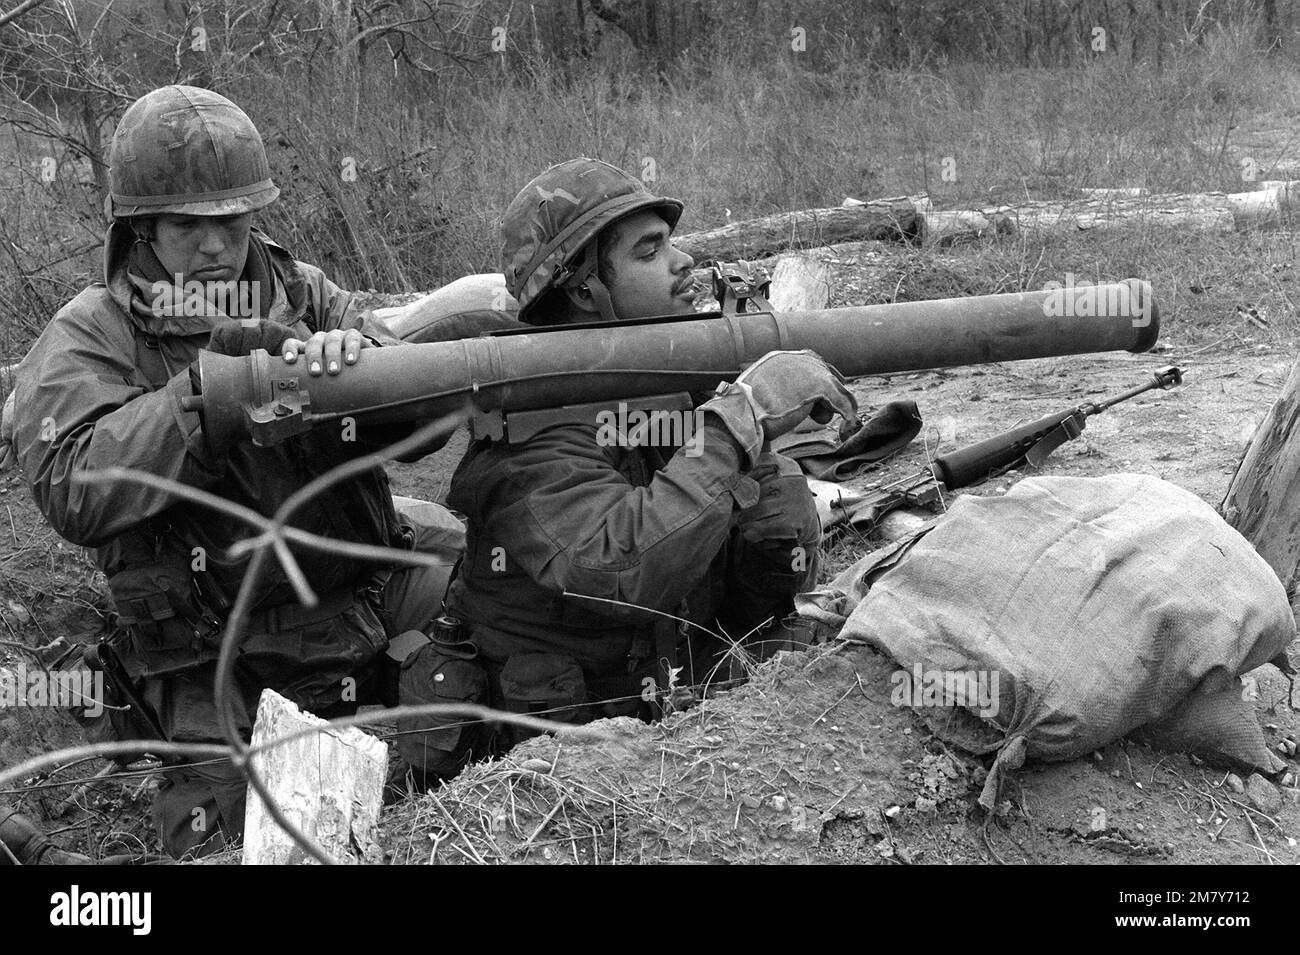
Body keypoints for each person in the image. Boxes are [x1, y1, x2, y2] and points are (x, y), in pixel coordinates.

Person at [8, 85, 460, 859]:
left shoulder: (304, 291)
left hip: (355, 611)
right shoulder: (95, 333)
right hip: (219, 667)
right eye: (190, 226)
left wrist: (360, 374)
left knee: (496, 636)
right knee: (237, 845)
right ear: (141, 227)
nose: (218, 245)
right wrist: (203, 396)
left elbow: (426, 413)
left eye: (234, 220)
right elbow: (71, 482)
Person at [398, 158, 856, 778]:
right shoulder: (531, 433)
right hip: (547, 765)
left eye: (671, 243)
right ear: (586, 289)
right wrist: (736, 422)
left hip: (671, 705)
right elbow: (624, 568)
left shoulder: (664, 386)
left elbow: (773, 562)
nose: (683, 262)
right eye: (649, 252)